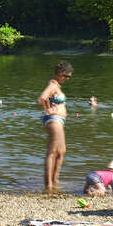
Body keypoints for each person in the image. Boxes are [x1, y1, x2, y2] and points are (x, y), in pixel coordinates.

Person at [37, 61, 72, 194]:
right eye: (67, 76)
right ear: (60, 73)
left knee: (61, 151)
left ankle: (55, 180)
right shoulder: (52, 84)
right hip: (54, 120)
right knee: (52, 152)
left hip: (58, 121)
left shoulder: (56, 85)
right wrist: (49, 110)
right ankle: (49, 185)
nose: (67, 79)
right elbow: (41, 98)